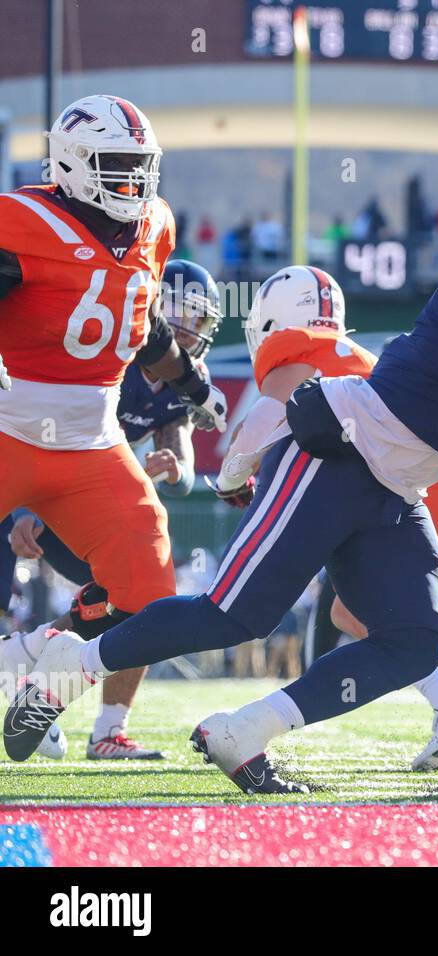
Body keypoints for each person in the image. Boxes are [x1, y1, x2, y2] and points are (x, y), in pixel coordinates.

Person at [6, 163, 438, 797]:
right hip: (342, 450)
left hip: (398, 485)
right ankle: (72, 666)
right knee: (234, 615)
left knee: (413, 642)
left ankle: (245, 731)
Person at [216, 263, 438, 770]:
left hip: (417, 481)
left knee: (359, 617)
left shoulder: (296, 350)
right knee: (419, 629)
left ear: (276, 319)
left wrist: (232, 476)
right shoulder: (355, 356)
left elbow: (261, 423)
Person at [0, 95, 228, 754]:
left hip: (92, 442)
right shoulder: (22, 221)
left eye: (139, 164)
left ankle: (47, 676)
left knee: (149, 593)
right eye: (116, 163)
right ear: (73, 162)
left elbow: (144, 325)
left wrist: (193, 387)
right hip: (9, 426)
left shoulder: (155, 225)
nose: (132, 179)